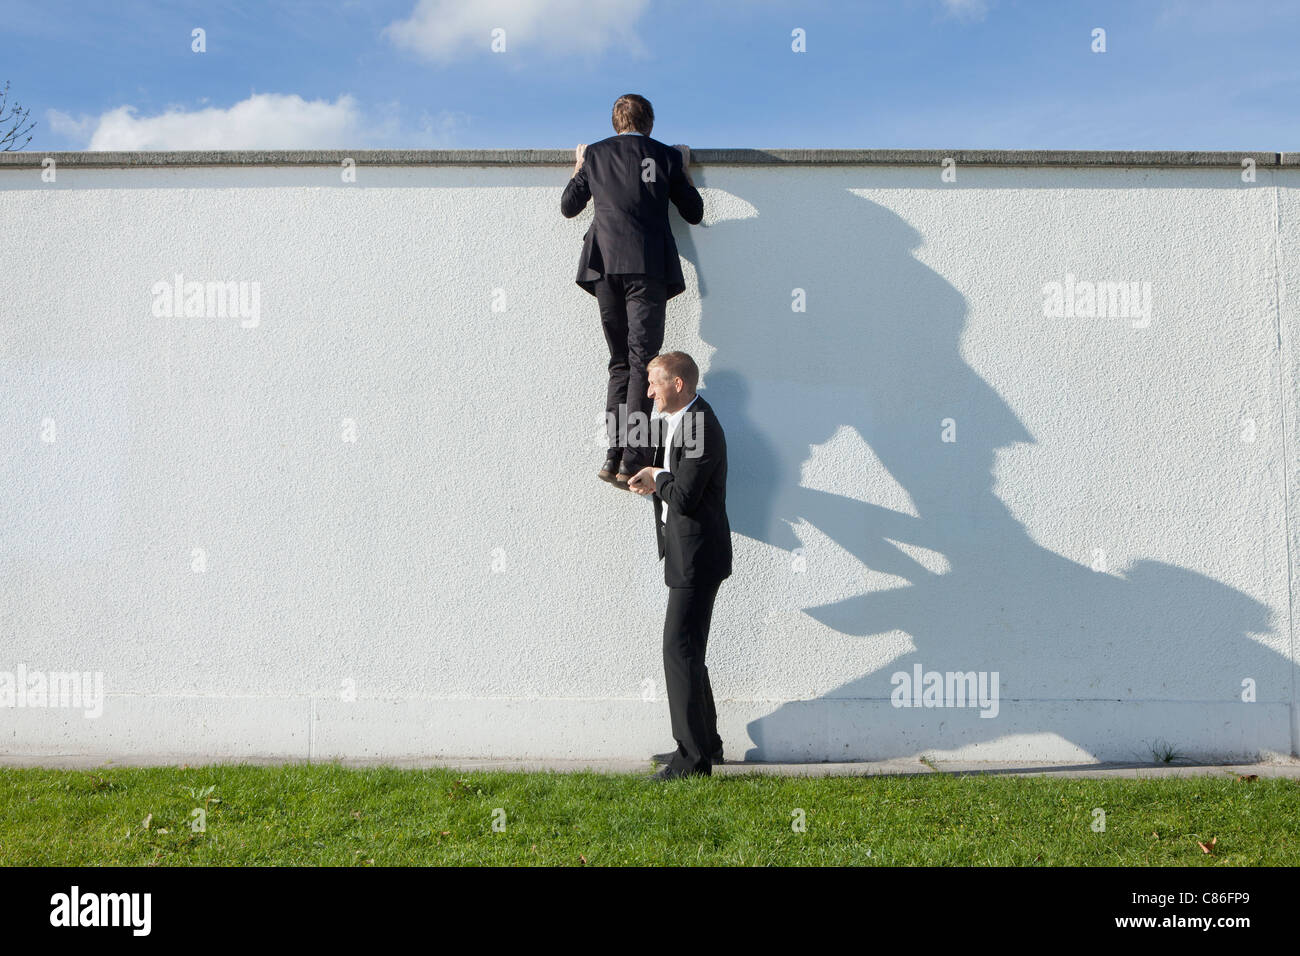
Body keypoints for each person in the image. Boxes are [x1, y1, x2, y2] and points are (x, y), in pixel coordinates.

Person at [560, 94, 704, 488]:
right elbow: (694, 211)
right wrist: (685, 170)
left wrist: (579, 165)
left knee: (620, 362)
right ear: (650, 123)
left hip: (605, 265)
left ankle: (613, 453)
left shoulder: (595, 156)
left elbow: (569, 207)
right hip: (647, 267)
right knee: (643, 359)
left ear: (614, 123)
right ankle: (633, 457)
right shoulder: (665, 157)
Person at [628, 352, 732, 779]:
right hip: (687, 553)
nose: (648, 391)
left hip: (698, 556)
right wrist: (653, 478)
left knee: (678, 648)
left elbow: (686, 496)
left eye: (654, 384)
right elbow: (680, 487)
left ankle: (692, 761)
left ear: (678, 384)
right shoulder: (684, 421)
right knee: (689, 650)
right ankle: (706, 744)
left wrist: (656, 477)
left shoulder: (700, 426)